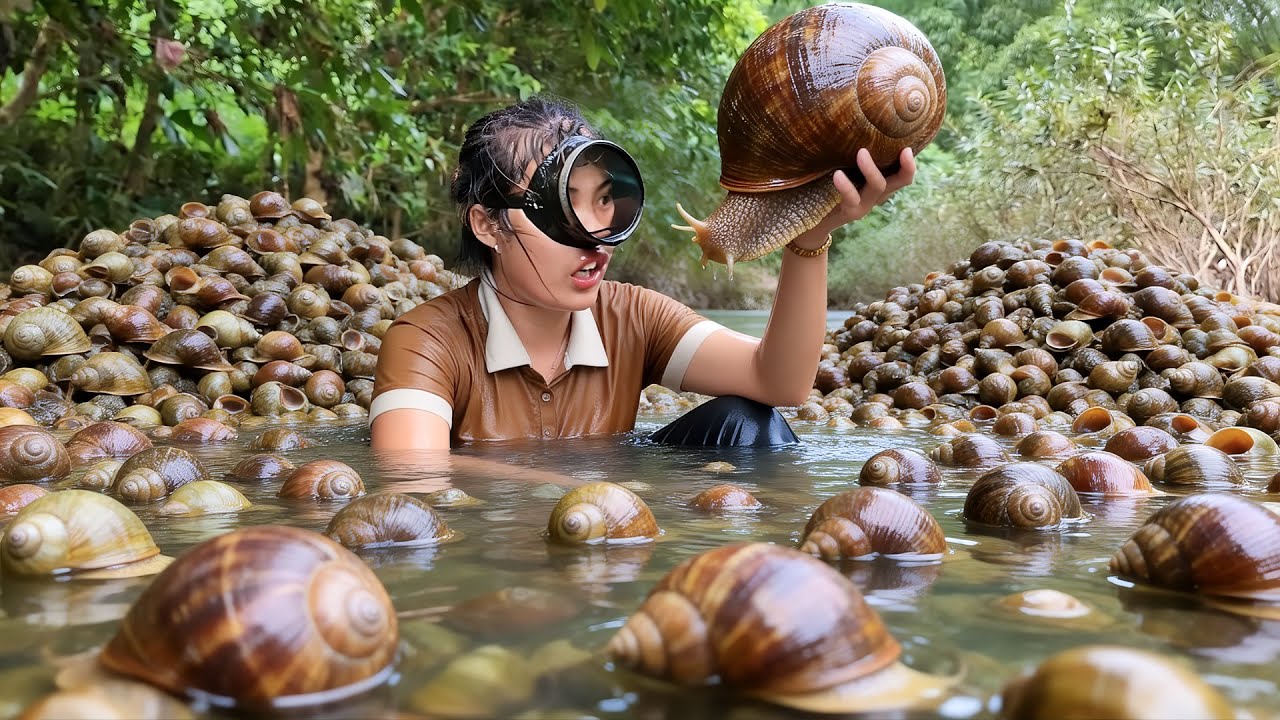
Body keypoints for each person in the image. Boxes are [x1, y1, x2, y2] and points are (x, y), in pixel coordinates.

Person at [370, 95, 915, 456]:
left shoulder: (630, 316)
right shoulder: (428, 341)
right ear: (489, 225)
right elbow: (413, 477)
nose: (595, 235)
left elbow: (781, 383)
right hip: (494, 558)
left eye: (606, 202)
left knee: (751, 424)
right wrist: (600, 494)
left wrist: (809, 237)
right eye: (565, 207)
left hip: (614, 554)